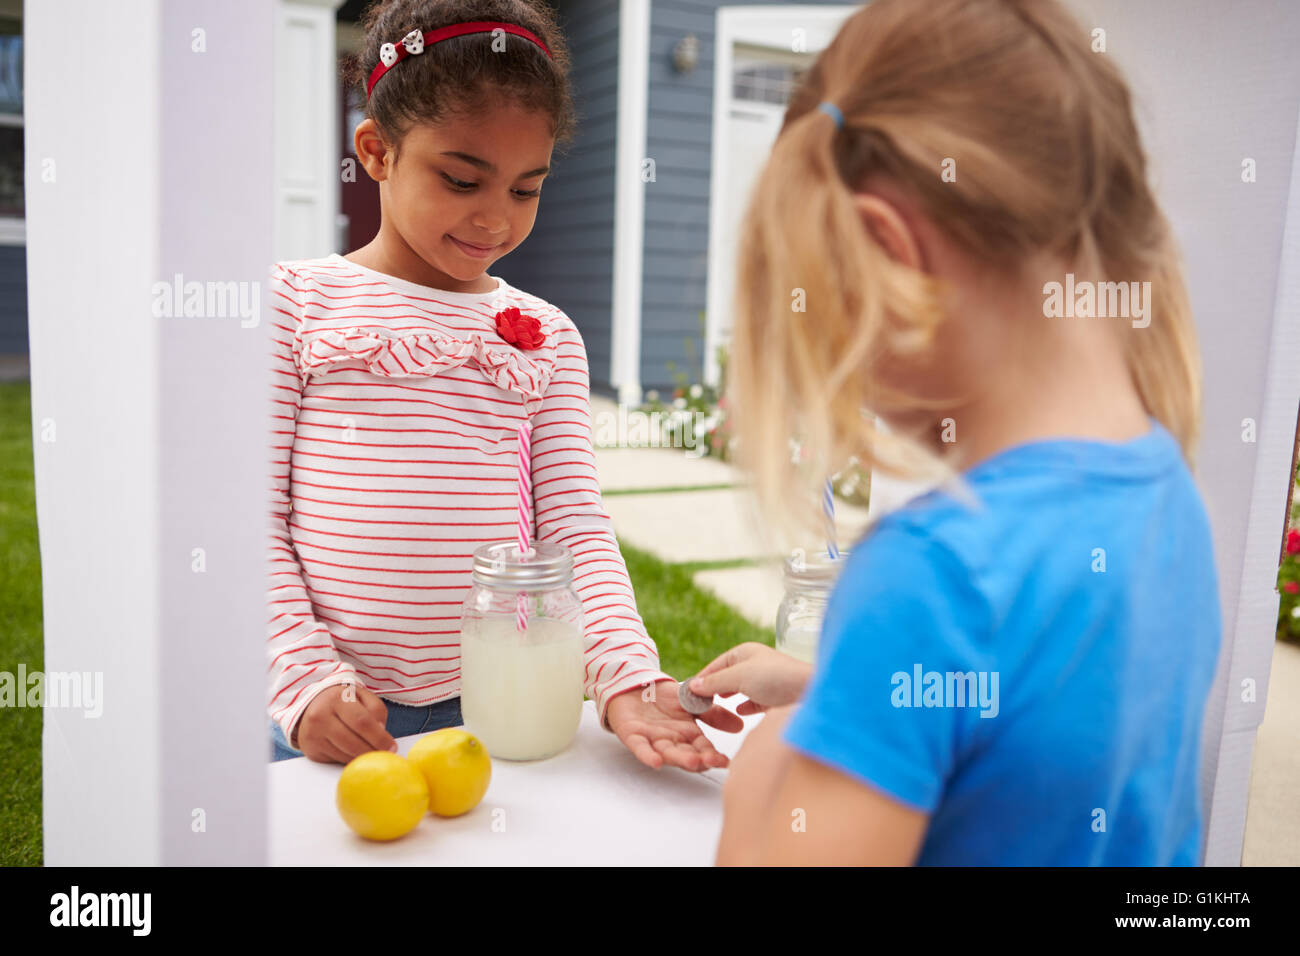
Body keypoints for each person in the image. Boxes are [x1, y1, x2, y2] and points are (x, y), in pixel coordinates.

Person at [689, 0, 1222, 865]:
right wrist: (835, 692)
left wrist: (770, 762)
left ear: (890, 257)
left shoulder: (932, 571)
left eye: (822, 320)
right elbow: (1035, 735)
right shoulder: (1167, 489)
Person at [266, 0, 739, 768]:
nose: (495, 219)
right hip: (328, 714)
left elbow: (574, 527)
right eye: (461, 179)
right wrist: (305, 680)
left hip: (498, 704)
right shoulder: (294, 304)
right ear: (377, 150)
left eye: (526, 189)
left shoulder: (547, 334)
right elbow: (252, 522)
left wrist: (622, 675)